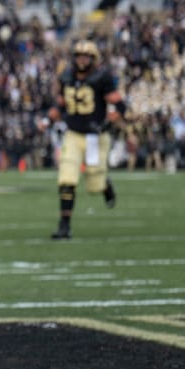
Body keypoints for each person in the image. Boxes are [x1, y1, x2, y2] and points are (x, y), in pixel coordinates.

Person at [46, 40, 123, 240]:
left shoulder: (102, 78)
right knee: (66, 178)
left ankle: (104, 184)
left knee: (94, 185)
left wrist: (109, 122)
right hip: (73, 134)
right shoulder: (66, 77)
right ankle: (64, 225)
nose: (81, 60)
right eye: (78, 56)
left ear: (93, 59)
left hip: (95, 136)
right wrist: (48, 118)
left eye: (85, 56)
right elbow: (60, 105)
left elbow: (120, 105)